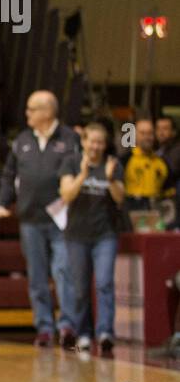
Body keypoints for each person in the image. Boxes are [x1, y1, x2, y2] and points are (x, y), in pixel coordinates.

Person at [0, 91, 81, 346]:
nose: (27, 114)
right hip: (30, 219)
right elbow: (8, 175)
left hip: (61, 220)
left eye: (31, 109)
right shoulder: (22, 140)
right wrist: (2, 204)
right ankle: (44, 329)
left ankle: (68, 327)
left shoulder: (70, 139)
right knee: (37, 276)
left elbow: (79, 174)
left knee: (63, 272)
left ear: (48, 112)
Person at [58, 122, 124, 353]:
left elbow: (120, 198)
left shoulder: (112, 165)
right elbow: (66, 194)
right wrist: (84, 173)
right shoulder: (71, 162)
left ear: (105, 145)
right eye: (92, 141)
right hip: (76, 235)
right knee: (80, 287)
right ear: (84, 141)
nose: (96, 146)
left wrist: (111, 179)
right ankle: (83, 333)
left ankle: (105, 332)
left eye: (100, 142)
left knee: (104, 283)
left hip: (105, 235)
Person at [122, 118, 170, 212]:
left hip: (156, 211)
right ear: (134, 135)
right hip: (132, 210)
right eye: (142, 133)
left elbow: (169, 191)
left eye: (150, 133)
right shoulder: (125, 160)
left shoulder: (162, 162)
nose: (147, 137)